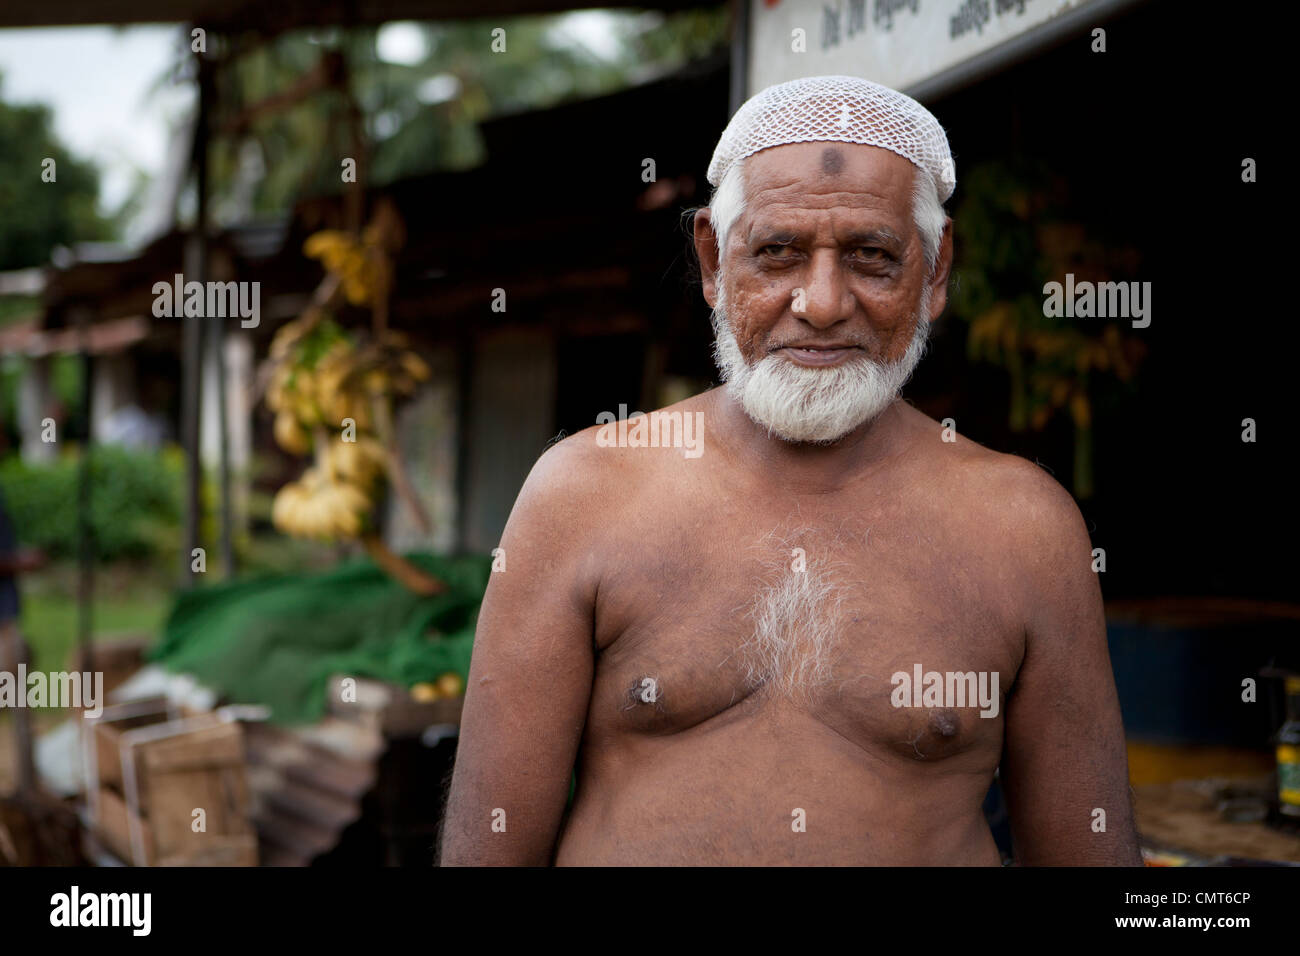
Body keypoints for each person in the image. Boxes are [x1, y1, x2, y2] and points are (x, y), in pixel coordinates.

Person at [440, 75, 1140, 866]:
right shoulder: (582, 494)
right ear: (711, 259)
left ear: (937, 272)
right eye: (777, 253)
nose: (820, 301)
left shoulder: (1025, 527)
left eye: (873, 257)